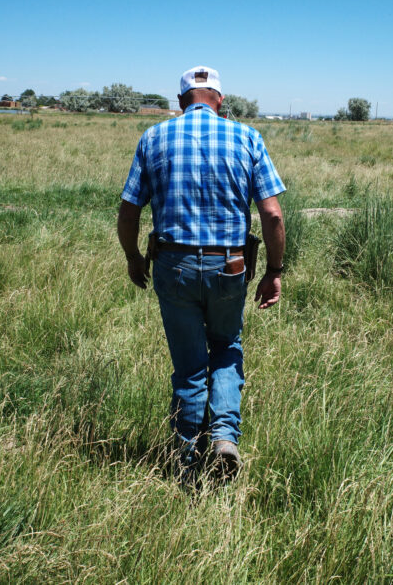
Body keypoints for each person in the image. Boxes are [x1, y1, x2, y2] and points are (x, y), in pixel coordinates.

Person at [117, 65, 286, 485]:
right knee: (226, 346)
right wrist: (274, 272)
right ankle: (225, 440)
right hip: (230, 265)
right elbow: (272, 213)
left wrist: (134, 257)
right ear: (220, 100)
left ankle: (187, 461)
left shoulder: (154, 137)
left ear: (180, 102)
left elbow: (129, 210)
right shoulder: (248, 137)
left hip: (172, 266)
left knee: (190, 365)